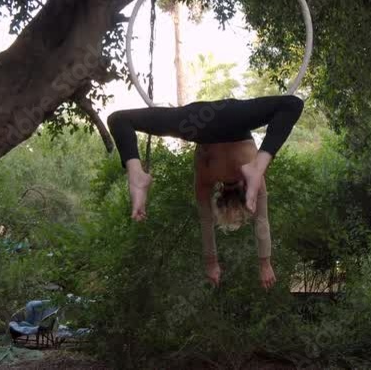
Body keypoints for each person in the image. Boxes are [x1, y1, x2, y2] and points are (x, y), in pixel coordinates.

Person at [106, 95, 304, 288]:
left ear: (244, 190)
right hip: (198, 125)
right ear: (219, 196)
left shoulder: (249, 183)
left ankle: (259, 164)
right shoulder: (207, 177)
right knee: (119, 120)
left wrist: (265, 263)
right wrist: (214, 264)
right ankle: (135, 174)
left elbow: (261, 221)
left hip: (234, 117)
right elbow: (207, 222)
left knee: (292, 104)